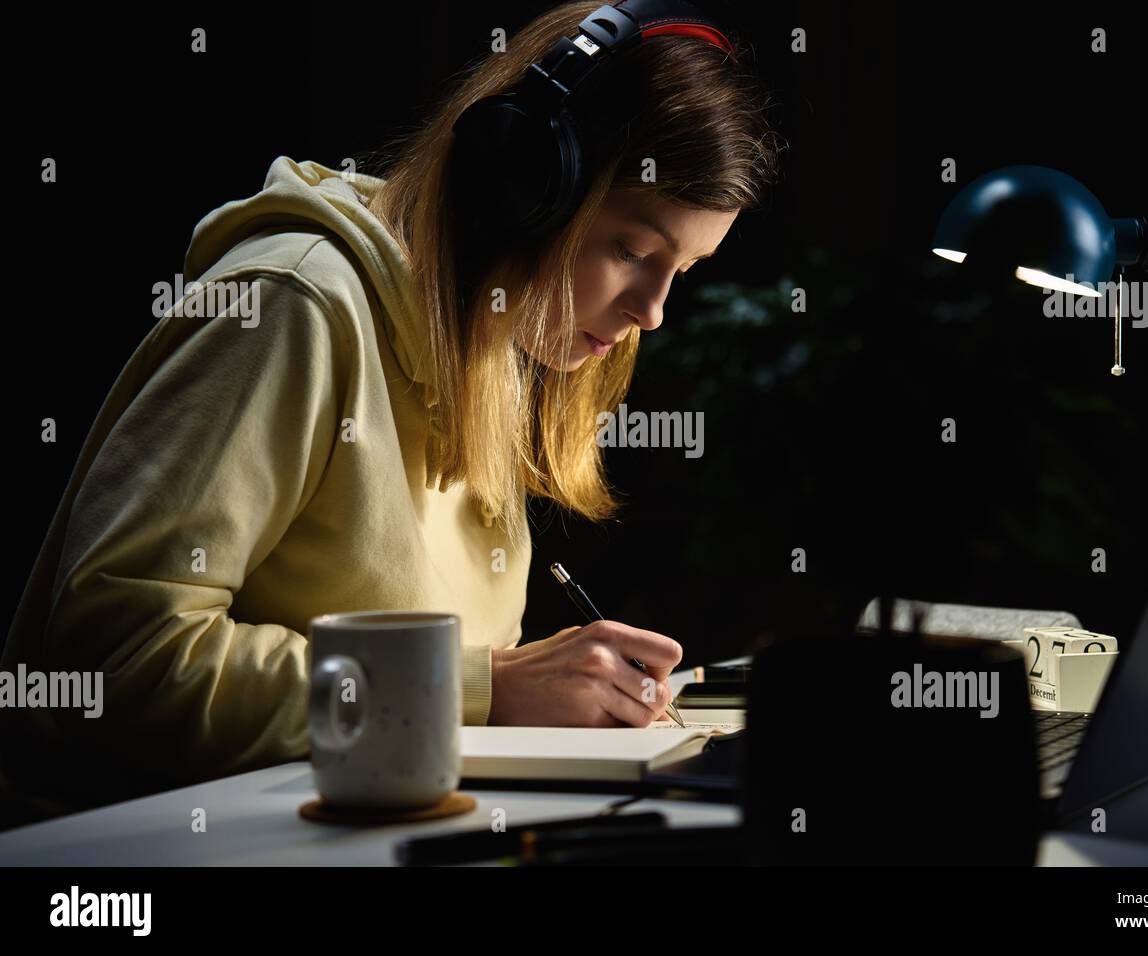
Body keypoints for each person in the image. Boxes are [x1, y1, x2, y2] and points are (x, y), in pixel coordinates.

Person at [0, 1, 782, 827]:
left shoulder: (491, 343)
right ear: (525, 182)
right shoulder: (292, 306)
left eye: (682, 271)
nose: (653, 313)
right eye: (631, 250)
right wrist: (480, 687)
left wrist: (513, 691)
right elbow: (114, 660)